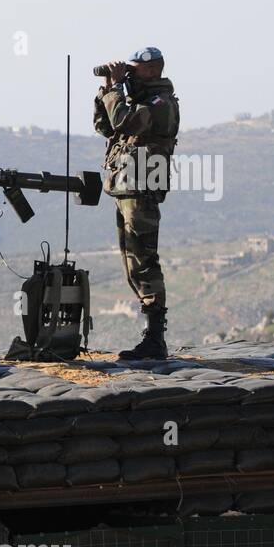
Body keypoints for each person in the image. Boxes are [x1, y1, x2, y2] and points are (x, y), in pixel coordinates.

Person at [93, 46, 180, 360]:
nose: (127, 73)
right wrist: (106, 90)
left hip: (142, 188)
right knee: (133, 263)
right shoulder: (139, 101)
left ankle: (155, 339)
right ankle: (152, 337)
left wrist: (116, 89)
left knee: (143, 260)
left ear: (152, 70)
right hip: (127, 189)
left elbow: (124, 124)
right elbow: (106, 127)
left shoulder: (160, 104)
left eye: (134, 69)